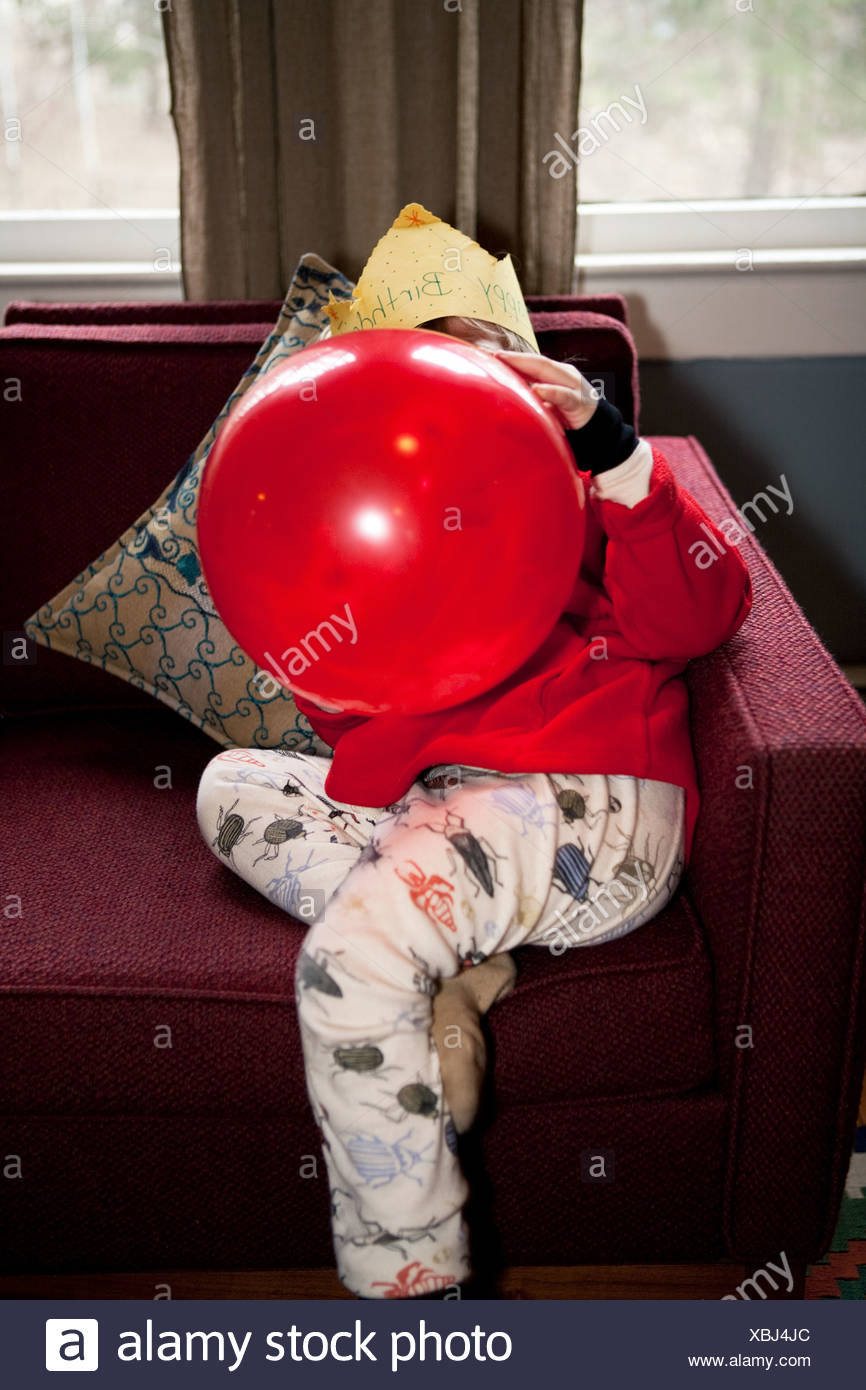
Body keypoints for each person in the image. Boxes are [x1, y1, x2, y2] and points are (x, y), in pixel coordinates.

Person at [195, 204, 752, 1300]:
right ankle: (456, 973)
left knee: (347, 969)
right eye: (426, 358)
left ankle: (417, 1295)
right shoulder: (373, 521)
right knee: (229, 785)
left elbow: (698, 617)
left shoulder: (596, 497)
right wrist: (332, 648)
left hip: (586, 811)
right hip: (448, 812)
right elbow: (365, 739)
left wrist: (619, 463)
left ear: (528, 371)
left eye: (484, 351)